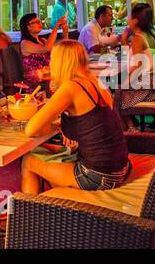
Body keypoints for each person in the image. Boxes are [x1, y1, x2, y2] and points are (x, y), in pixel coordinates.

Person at [20, 41, 132, 192]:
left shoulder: (71, 88)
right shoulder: (92, 79)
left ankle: (27, 215)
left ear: (60, 62)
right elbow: (92, 121)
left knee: (28, 160)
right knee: (54, 154)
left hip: (100, 175)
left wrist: (54, 123)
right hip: (119, 168)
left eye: (53, 60)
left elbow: (30, 130)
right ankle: (57, 207)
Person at [19, 11, 66, 89]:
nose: (39, 23)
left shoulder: (43, 41)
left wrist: (65, 32)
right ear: (28, 27)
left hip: (48, 76)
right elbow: (46, 49)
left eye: (39, 21)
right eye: (36, 22)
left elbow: (59, 52)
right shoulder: (25, 43)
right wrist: (56, 26)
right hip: (36, 82)